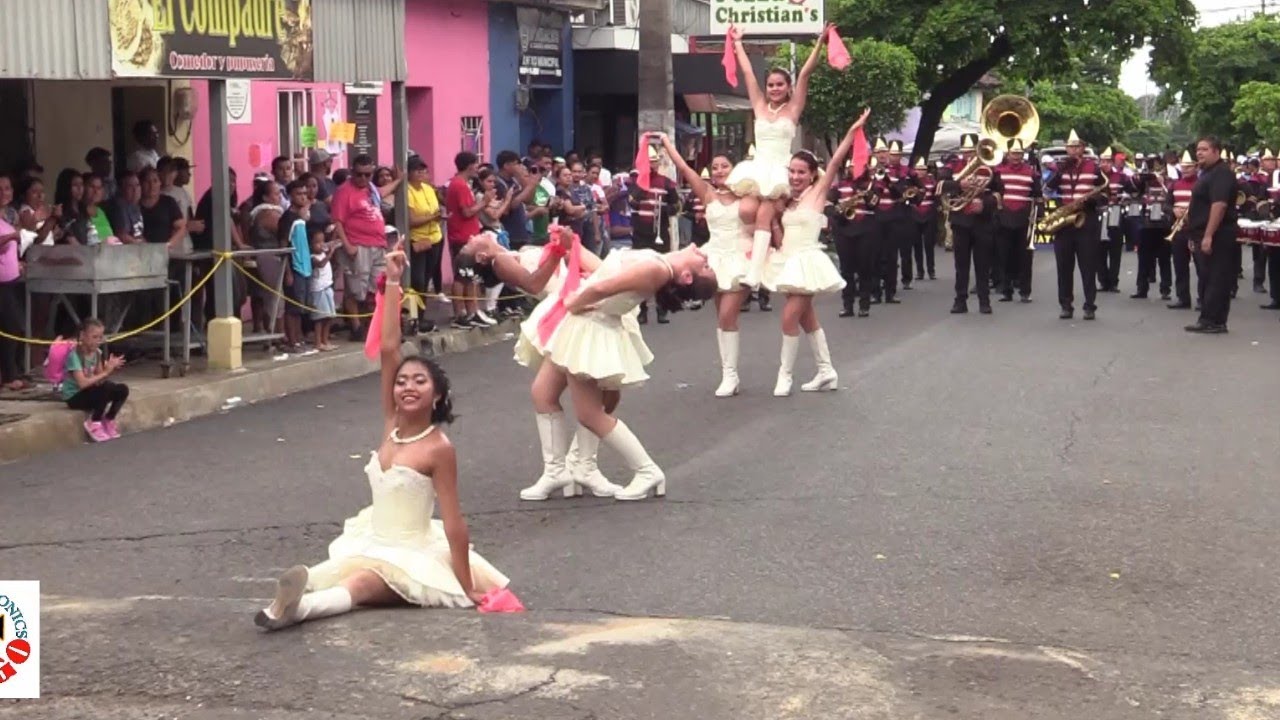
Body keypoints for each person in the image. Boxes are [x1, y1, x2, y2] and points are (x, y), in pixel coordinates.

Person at [254, 241, 510, 630]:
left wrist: (465, 582)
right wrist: (393, 281)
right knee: (339, 575)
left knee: (360, 585)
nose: (407, 387)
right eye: (402, 381)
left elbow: (455, 522)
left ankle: (291, 612)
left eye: (419, 382)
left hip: (412, 553)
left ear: (436, 395)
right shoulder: (391, 423)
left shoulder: (439, 447)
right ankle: (291, 604)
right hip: (371, 539)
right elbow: (390, 348)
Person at [513, 238, 717, 501]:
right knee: (543, 393)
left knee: (589, 413)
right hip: (581, 322)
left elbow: (601, 287)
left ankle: (645, 470)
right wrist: (572, 245)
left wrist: (574, 302)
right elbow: (604, 269)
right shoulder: (658, 261)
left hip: (588, 326)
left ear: (687, 277)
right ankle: (558, 471)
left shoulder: (657, 270)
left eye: (707, 265)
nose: (704, 254)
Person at [764, 111, 868, 397]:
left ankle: (784, 375)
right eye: (792, 171)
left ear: (812, 174)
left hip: (809, 261)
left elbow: (835, 161)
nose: (796, 176)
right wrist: (774, 220)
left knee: (788, 318)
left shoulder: (818, 193)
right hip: (788, 260)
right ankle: (826, 371)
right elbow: (782, 239)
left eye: (801, 172)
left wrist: (853, 128)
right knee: (806, 318)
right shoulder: (788, 201)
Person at [724, 23, 833, 291]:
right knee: (747, 210)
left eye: (779, 84)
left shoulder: (793, 109)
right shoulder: (759, 105)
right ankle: (759, 250)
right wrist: (737, 42)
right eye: (770, 84)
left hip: (780, 172)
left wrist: (820, 42)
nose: (773, 88)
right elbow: (748, 73)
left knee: (762, 213)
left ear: (787, 87)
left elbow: (806, 73)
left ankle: (754, 273)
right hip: (757, 169)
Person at [655, 133, 756, 397]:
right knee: (720, 318)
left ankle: (731, 376)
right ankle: (728, 373)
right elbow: (686, 169)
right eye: (716, 167)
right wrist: (667, 143)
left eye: (725, 166)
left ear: (736, 170)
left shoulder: (749, 197)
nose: (719, 170)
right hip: (713, 258)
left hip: (740, 256)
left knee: (727, 316)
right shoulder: (707, 192)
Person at [1044, 130, 1107, 320]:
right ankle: (1066, 305)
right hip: (1065, 222)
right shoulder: (1060, 168)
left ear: (1082, 148)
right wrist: (1061, 170)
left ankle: (1089, 306)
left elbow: (1105, 195)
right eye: (1070, 147)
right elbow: (1048, 189)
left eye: (1076, 147)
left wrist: (1091, 201)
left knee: (1088, 266)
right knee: (1064, 266)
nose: (1073, 150)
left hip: (1086, 220)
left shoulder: (1094, 168)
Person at [941, 133, 1003, 315]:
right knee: (961, 265)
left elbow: (999, 195)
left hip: (982, 222)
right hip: (961, 221)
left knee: (983, 264)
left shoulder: (991, 168)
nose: (969, 156)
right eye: (965, 152)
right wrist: (960, 185)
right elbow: (939, 187)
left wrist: (984, 204)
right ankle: (960, 300)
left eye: (971, 152)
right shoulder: (952, 168)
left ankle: (984, 301)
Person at [1185, 136, 1239, 334]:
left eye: (1205, 149)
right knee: (1206, 277)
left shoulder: (1221, 173)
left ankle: (1215, 320)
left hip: (1218, 233)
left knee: (1217, 277)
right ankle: (1207, 317)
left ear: (1216, 151)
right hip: (1200, 232)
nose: (1199, 153)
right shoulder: (1206, 173)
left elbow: (1219, 205)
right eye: (1198, 149)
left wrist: (1208, 235)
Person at [331, 154, 388, 340]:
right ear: (352, 172)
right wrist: (348, 246)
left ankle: (372, 327)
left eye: (368, 174)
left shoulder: (371, 189)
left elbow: (383, 193)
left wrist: (399, 180)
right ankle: (356, 327)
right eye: (359, 174)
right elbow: (337, 221)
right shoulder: (344, 191)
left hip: (378, 244)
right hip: (358, 244)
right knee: (355, 289)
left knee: (376, 288)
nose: (363, 178)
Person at [627, 145, 681, 325]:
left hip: (660, 233)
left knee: (662, 272)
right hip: (641, 234)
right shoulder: (636, 183)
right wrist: (643, 182)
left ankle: (662, 309)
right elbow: (632, 203)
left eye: (654, 162)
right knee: (640, 273)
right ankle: (642, 310)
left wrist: (664, 208)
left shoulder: (667, 183)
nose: (652, 165)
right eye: (648, 163)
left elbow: (676, 207)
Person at [61, 318, 129, 442]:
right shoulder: (74, 355)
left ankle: (109, 419)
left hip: (90, 392)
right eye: (94, 337)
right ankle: (94, 422)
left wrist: (109, 369)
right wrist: (105, 373)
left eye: (100, 337)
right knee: (104, 389)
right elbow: (82, 383)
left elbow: (100, 380)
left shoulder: (97, 353)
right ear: (82, 336)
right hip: (75, 396)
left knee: (122, 389)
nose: (98, 341)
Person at [993, 139, 1041, 302]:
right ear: (1008, 153)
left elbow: (1037, 195)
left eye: (1019, 153)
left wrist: (1037, 213)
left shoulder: (1032, 172)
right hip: (1003, 218)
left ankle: (1025, 291)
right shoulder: (998, 171)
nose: (1016, 156)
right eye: (1014, 153)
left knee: (1025, 258)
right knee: (1004, 256)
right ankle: (1006, 290)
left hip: (1024, 219)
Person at [1131, 158, 1173, 301]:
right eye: (1152, 168)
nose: (1156, 171)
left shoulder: (1169, 182)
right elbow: (1133, 188)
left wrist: (1162, 180)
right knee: (1143, 258)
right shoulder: (1144, 182)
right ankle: (1141, 289)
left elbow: (1170, 198)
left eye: (1158, 167)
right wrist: (1141, 177)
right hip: (1147, 224)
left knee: (1164, 259)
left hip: (1163, 225)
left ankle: (1165, 289)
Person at [279, 179, 313, 350]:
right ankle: (291, 340)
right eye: (299, 194)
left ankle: (299, 338)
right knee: (292, 307)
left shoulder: (301, 217)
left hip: (305, 266)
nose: (303, 197)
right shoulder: (287, 218)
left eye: (305, 193)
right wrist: (287, 272)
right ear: (290, 196)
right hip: (294, 267)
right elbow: (283, 245)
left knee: (300, 307)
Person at [1167, 151, 1199, 311]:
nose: (1185, 170)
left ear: (1196, 167)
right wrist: (1173, 210)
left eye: (1189, 167)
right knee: (1180, 265)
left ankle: (1203, 298)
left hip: (1196, 229)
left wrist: (1191, 215)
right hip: (1179, 229)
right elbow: (1167, 205)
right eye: (1183, 167)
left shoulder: (1201, 183)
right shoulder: (1174, 184)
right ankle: (1182, 297)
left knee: (1201, 266)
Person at [910, 156, 938, 282]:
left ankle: (931, 270)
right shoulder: (911, 182)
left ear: (926, 170)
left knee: (929, 245)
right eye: (918, 169)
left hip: (929, 215)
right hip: (915, 215)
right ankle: (920, 271)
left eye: (923, 169)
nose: (920, 172)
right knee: (917, 245)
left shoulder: (932, 181)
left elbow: (936, 198)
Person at [310, 231, 337, 351]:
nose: (320, 245)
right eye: (317, 243)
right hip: (318, 289)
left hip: (327, 287)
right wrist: (330, 254)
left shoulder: (323, 254)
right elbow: (321, 264)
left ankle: (325, 340)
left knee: (329, 316)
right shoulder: (313, 257)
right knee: (320, 317)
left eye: (322, 242)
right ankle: (318, 342)